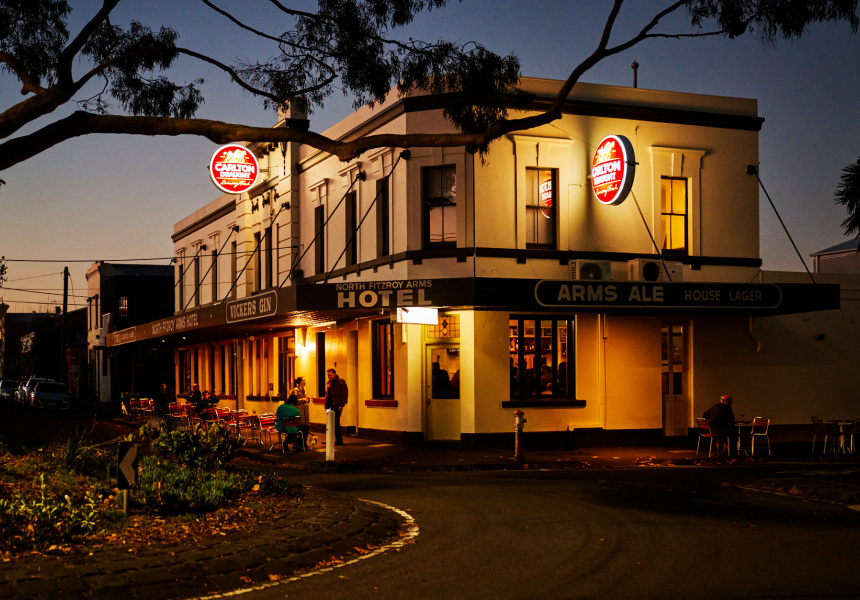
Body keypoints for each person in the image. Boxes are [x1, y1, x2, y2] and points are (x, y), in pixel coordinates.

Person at [324, 368, 348, 446]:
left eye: (330, 375)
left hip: (337, 405)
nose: (329, 377)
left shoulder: (341, 382)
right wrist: (326, 406)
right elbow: (327, 395)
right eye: (328, 375)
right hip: (331, 405)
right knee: (330, 422)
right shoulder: (329, 382)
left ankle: (339, 440)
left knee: (335, 422)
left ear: (334, 374)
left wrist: (341, 405)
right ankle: (330, 439)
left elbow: (344, 394)